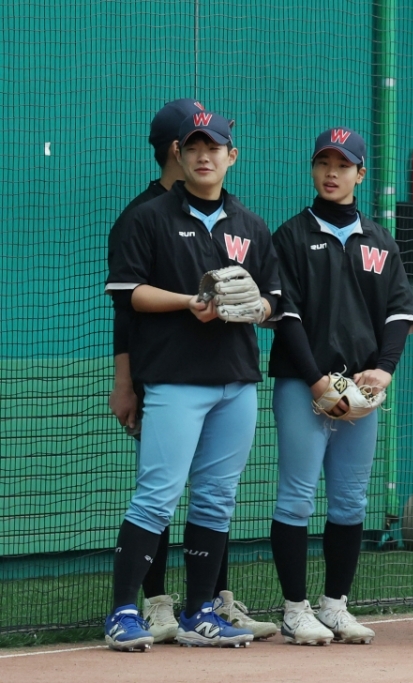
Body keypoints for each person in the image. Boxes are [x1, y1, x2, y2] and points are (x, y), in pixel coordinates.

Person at [104, 111, 281, 650]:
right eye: (195, 147)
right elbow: (129, 293)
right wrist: (189, 302)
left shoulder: (251, 226)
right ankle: (122, 612)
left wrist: (258, 307)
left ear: (232, 156)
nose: (205, 156)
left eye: (215, 147)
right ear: (178, 155)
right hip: (175, 378)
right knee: (156, 496)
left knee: (217, 499)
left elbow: (275, 300)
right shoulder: (149, 218)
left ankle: (201, 611)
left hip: (236, 380)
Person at [268, 128, 413, 645]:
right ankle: (295, 610)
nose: (331, 173)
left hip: (359, 392)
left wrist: (385, 369)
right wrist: (315, 381)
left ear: (360, 173)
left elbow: (399, 312)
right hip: (302, 385)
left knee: (351, 502)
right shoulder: (290, 236)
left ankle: (335, 606)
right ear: (314, 169)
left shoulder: (379, 239)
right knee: (296, 499)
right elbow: (286, 316)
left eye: (343, 164)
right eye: (323, 163)